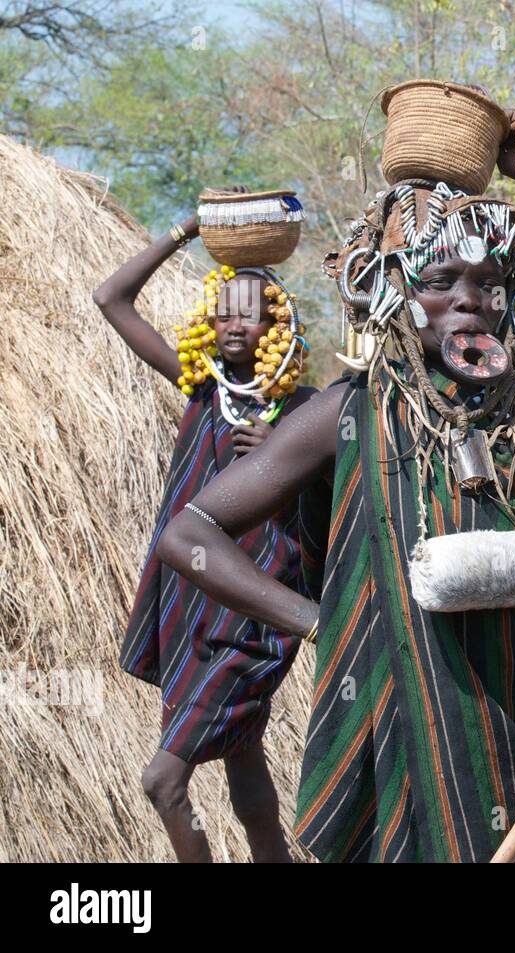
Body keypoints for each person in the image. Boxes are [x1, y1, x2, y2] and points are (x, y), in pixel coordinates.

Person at [156, 107, 515, 862]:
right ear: (388, 292)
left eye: (489, 280)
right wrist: (323, 619)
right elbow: (188, 535)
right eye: (441, 278)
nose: (470, 298)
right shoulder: (344, 414)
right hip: (407, 741)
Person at [94, 197, 326, 862]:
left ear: (276, 323)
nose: (234, 322)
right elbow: (112, 298)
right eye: (224, 308)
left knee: (163, 779)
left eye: (251, 312)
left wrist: (285, 455)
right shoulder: (201, 390)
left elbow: (336, 492)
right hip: (190, 602)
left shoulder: (303, 411)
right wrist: (186, 231)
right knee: (245, 759)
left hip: (251, 613)